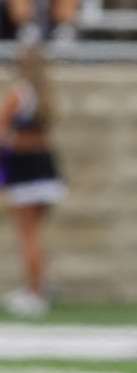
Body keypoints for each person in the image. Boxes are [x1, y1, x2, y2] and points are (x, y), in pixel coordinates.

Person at [1, 45, 65, 319]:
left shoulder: (20, 92)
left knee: (28, 234)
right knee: (36, 232)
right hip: (47, 164)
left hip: (25, 166)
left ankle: (35, 294)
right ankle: (41, 285)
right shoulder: (46, 93)